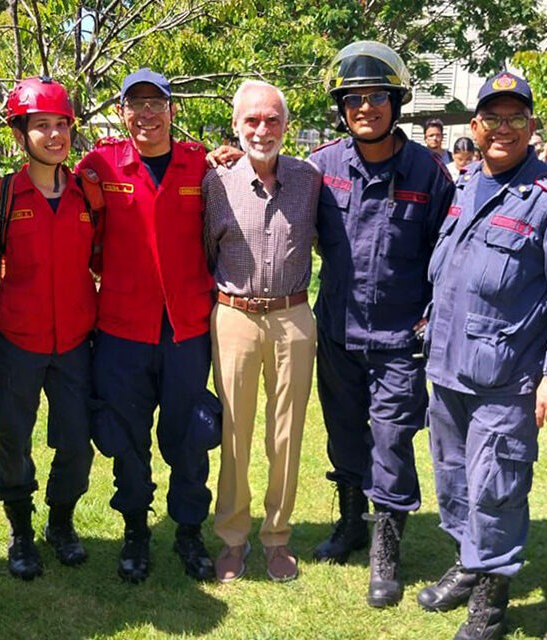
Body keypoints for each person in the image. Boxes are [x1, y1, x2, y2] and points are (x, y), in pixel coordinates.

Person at [419, 71, 547, 640]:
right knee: (453, 483)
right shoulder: (466, 181)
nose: (502, 128)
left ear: (531, 127)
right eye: (491, 118)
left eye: (515, 118)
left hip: (506, 377)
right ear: (474, 126)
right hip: (447, 368)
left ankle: (491, 604)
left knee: (495, 488)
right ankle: (469, 565)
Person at [309, 41, 454, 608]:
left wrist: (429, 322)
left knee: (392, 443)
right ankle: (349, 523)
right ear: (340, 108)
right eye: (353, 99)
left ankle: (385, 549)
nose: (365, 107)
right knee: (344, 433)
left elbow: (448, 254)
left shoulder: (428, 170)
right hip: (338, 332)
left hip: (398, 339)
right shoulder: (321, 167)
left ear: (396, 101)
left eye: (376, 97)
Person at [77, 68, 218, 584]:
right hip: (120, 329)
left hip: (184, 329)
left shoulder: (201, 164)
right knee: (126, 437)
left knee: (189, 436)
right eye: (135, 104)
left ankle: (188, 531)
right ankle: (135, 529)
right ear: (121, 112)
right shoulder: (99, 165)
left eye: (156, 103)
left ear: (172, 111)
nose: (147, 114)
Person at [0, 77, 97, 581]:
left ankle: (61, 523)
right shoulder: (2, 196)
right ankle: (21, 531)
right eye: (41, 126)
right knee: (13, 440)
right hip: (15, 341)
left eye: (61, 125)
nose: (53, 135)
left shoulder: (88, 195)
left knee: (75, 441)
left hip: (75, 341)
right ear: (20, 135)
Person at [204, 80, 321, 583]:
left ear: (286, 126)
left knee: (287, 433)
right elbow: (203, 250)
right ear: (235, 125)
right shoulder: (216, 181)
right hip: (233, 315)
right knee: (234, 432)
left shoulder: (309, 179)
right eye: (251, 120)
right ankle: (232, 537)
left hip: (293, 316)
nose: (261, 129)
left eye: (272, 119)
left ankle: (278, 536)